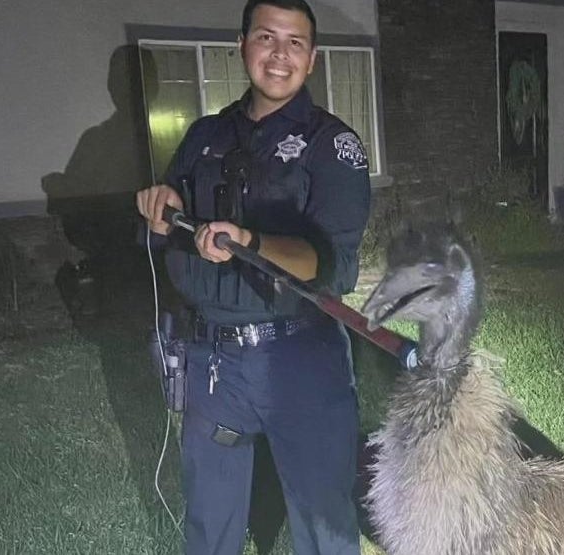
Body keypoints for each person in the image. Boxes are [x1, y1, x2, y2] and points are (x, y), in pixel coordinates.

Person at [135, 1, 370, 553]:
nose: (279, 55)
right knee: (210, 522)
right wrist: (162, 200)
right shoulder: (203, 136)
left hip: (299, 361)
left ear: (312, 59)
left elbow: (330, 264)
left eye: (295, 42)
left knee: (324, 525)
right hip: (212, 359)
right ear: (242, 44)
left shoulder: (332, 146)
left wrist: (252, 244)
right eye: (267, 37)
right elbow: (172, 207)